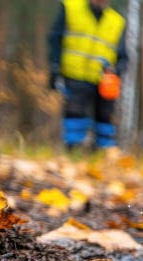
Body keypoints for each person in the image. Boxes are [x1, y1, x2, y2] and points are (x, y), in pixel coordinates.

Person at [47, 0, 128, 150]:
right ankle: (73, 151)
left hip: (104, 81)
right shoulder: (71, 7)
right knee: (75, 114)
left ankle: (104, 155)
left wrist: (117, 70)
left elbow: (123, 56)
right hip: (74, 73)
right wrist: (54, 67)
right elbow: (55, 39)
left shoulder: (117, 21)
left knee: (105, 119)